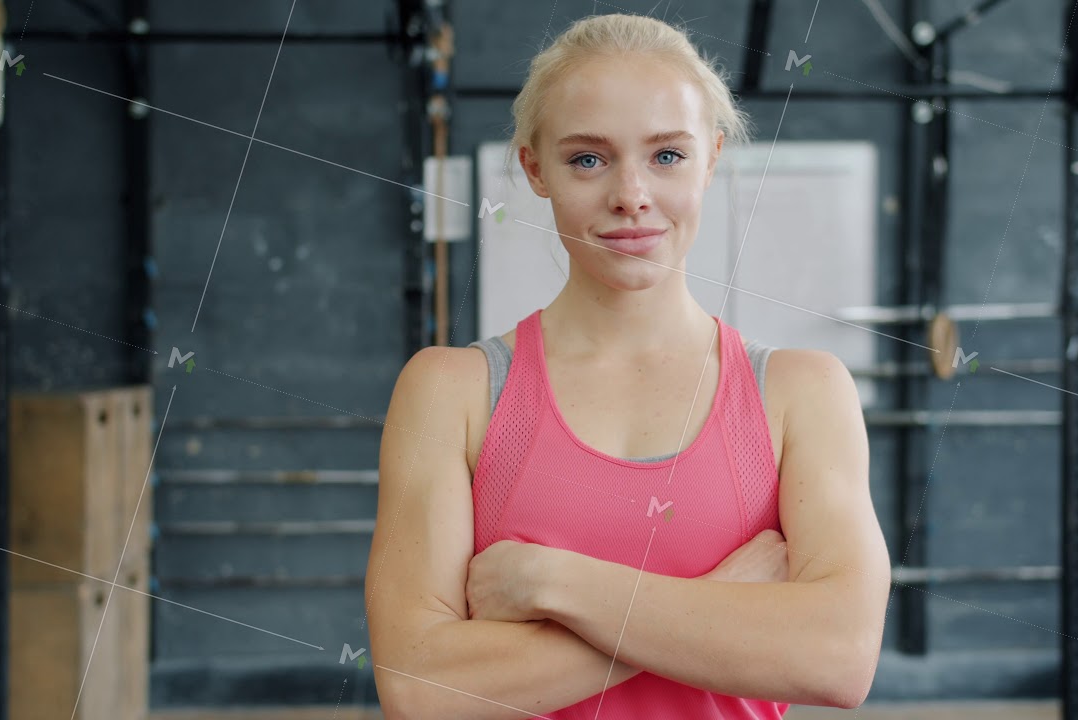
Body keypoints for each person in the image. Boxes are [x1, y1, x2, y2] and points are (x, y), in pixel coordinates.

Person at [366, 13, 890, 719]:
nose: (631, 195)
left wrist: (554, 583)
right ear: (534, 168)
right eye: (588, 158)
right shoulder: (452, 392)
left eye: (667, 156)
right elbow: (420, 691)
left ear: (713, 156)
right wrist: (727, 602)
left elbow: (839, 658)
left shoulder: (803, 393)